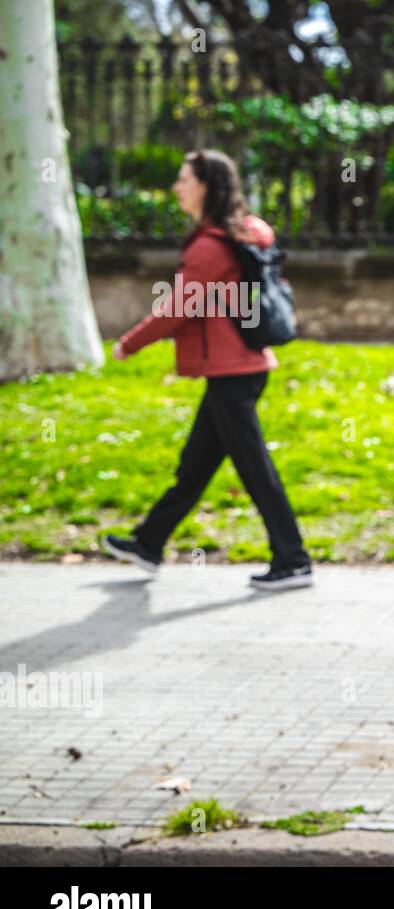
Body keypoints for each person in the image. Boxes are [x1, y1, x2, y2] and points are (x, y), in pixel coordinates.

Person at [102, 149, 312, 591]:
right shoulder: (245, 232)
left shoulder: (210, 246)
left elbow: (178, 306)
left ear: (205, 186)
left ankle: (293, 559)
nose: (177, 187)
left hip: (232, 371)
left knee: (255, 469)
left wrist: (129, 343)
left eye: (184, 179)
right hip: (242, 366)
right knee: (195, 464)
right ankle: (148, 542)